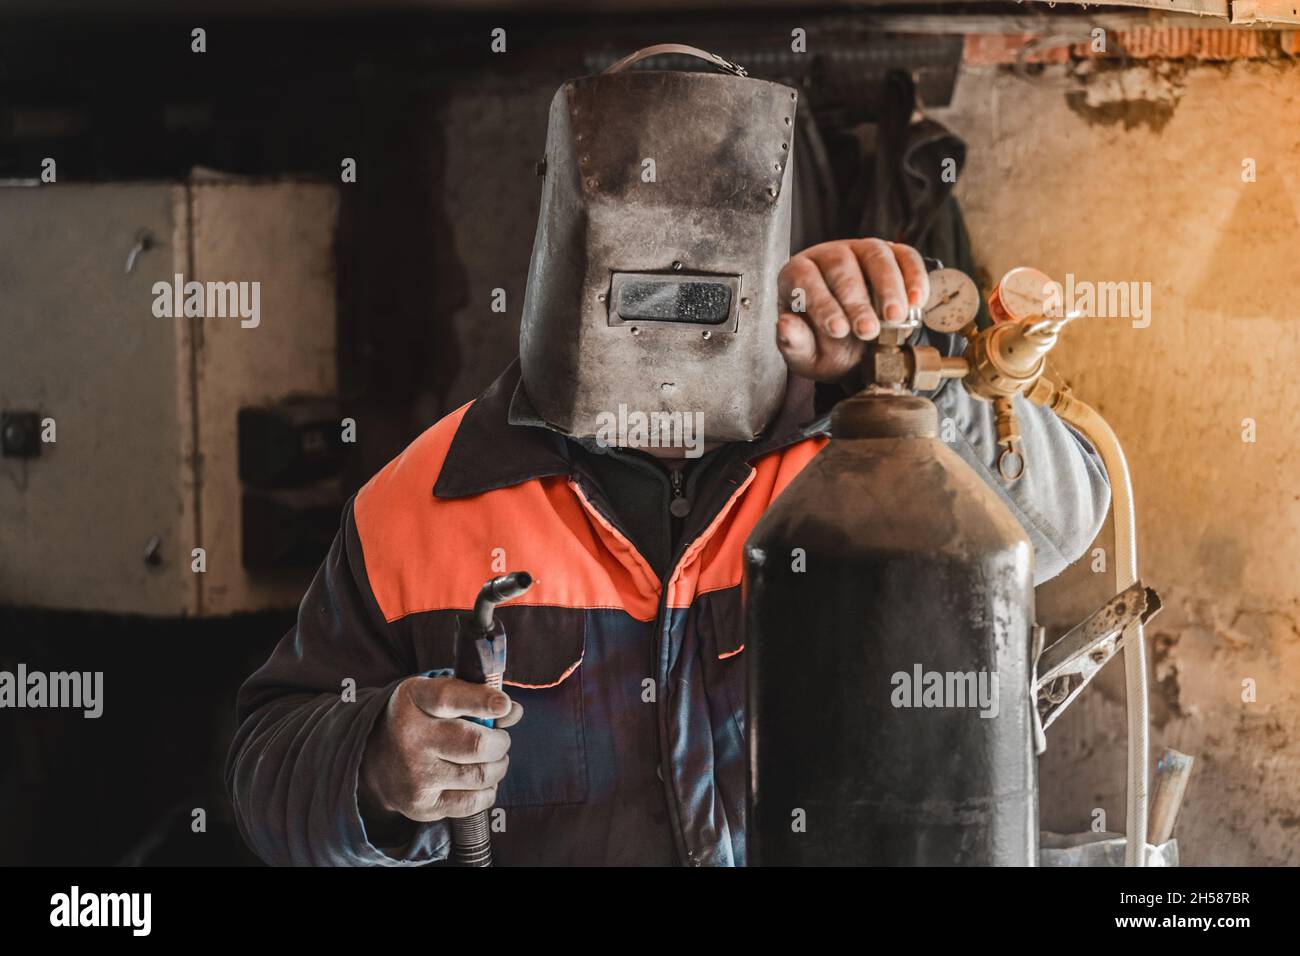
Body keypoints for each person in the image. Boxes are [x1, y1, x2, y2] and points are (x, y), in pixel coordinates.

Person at [226, 47, 1109, 867]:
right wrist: (373, 766)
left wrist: (917, 399)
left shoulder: (863, 461)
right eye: (639, 297)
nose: (666, 340)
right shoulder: (427, 497)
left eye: (701, 299)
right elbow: (263, 770)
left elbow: (1062, 530)